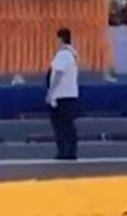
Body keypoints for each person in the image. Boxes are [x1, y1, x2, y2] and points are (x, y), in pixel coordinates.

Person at [46, 28, 80, 161]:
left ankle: (65, 151)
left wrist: (51, 91)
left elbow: (58, 73)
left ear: (60, 39)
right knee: (67, 125)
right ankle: (68, 151)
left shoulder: (63, 55)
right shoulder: (72, 54)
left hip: (62, 95)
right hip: (68, 94)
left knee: (62, 125)